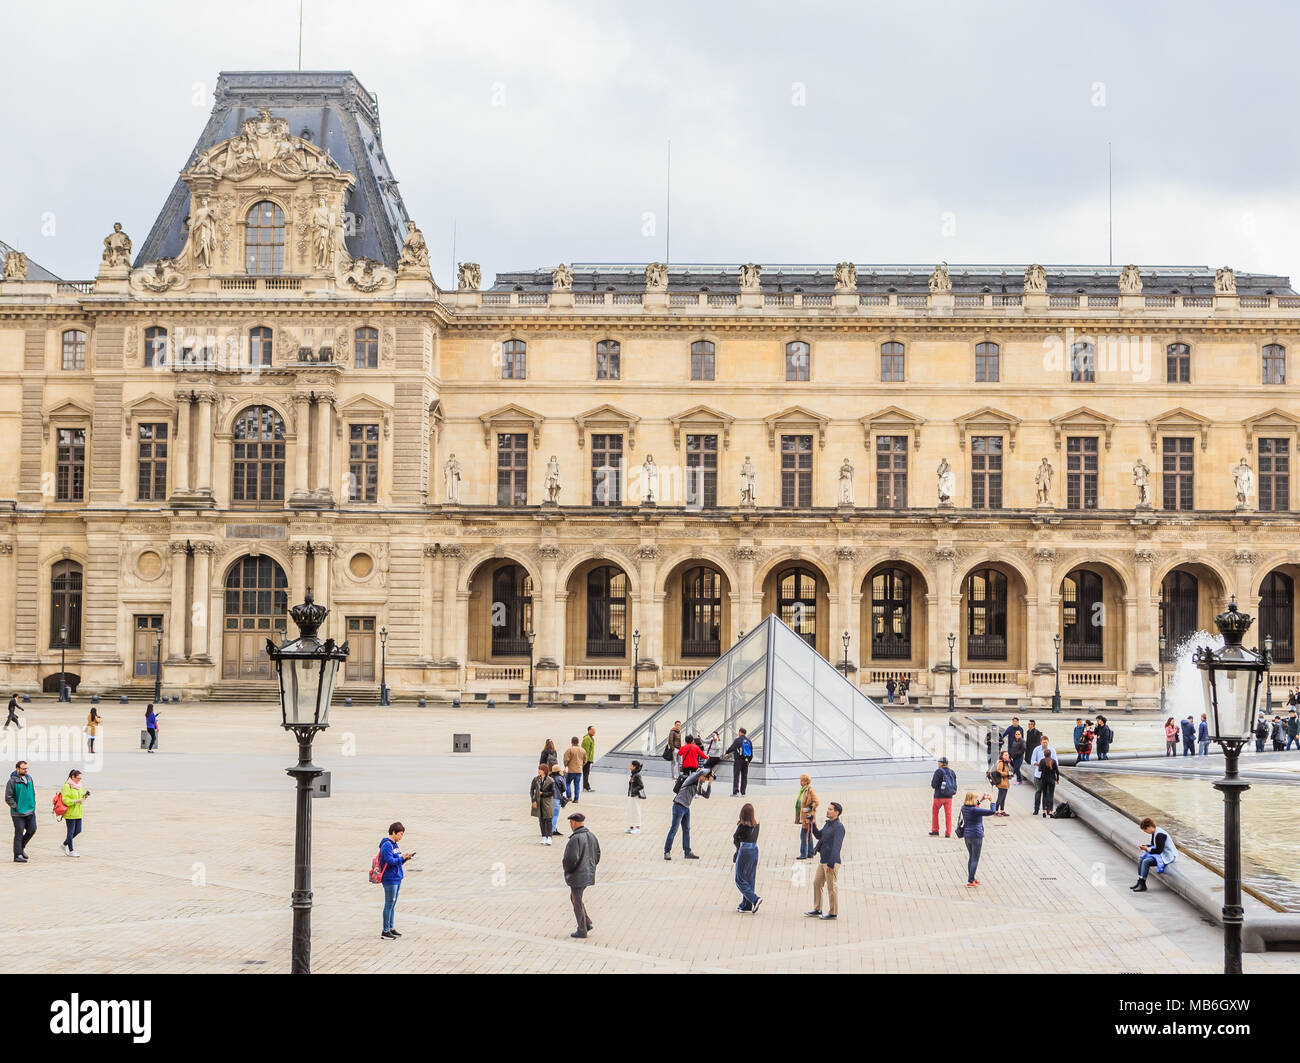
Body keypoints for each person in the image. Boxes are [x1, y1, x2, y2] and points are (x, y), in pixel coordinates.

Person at [562, 812, 600, 939]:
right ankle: (587, 922)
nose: (570, 825)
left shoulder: (575, 839)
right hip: (588, 872)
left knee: (576, 900)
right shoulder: (591, 836)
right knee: (575, 898)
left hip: (578, 875)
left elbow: (570, 859)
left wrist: (568, 870)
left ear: (574, 823)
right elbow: (598, 854)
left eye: (570, 822)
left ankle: (582, 929)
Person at [806, 802, 845, 920]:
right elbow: (819, 836)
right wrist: (813, 824)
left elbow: (837, 847)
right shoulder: (828, 824)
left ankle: (833, 912)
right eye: (828, 809)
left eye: (830, 809)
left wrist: (831, 863)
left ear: (837, 812)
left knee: (831, 887)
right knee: (817, 883)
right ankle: (817, 909)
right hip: (823, 860)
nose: (827, 811)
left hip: (831, 861)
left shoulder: (839, 827)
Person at [664, 767, 711, 860]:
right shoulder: (692, 778)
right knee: (674, 829)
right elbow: (702, 771)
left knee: (686, 830)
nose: (705, 780)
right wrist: (710, 770)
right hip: (678, 806)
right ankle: (667, 851)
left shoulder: (698, 785)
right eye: (705, 778)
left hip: (686, 808)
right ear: (701, 776)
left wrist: (710, 783)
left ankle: (687, 852)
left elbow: (707, 795)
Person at [378, 822, 414, 939]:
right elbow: (389, 861)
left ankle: (391, 928)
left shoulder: (395, 845)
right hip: (390, 879)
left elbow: (397, 861)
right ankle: (385, 930)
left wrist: (404, 859)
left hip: (397, 877)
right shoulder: (387, 845)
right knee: (389, 904)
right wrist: (401, 858)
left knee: (392, 904)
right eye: (400, 834)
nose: (401, 837)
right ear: (393, 832)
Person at [958, 792, 999, 886]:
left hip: (967, 836)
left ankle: (971, 877)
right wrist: (992, 801)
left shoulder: (964, 807)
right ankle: (970, 881)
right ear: (972, 799)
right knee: (975, 859)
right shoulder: (975, 810)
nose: (977, 800)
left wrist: (981, 800)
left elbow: (975, 805)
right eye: (976, 799)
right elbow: (992, 811)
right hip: (976, 835)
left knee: (971, 857)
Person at [1131, 816, 1177, 892]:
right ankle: (1140, 881)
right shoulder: (1155, 832)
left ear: (1149, 827)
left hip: (1167, 855)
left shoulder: (1159, 834)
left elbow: (1158, 850)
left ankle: (1143, 884)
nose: (1145, 831)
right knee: (1141, 858)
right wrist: (1146, 846)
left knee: (1146, 861)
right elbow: (1153, 845)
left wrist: (1147, 849)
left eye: (1145, 829)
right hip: (1161, 853)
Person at [732, 802, 762, 913]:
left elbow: (735, 838)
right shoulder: (757, 825)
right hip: (754, 850)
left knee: (739, 879)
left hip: (744, 851)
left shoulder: (742, 826)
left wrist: (738, 849)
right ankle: (746, 905)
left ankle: (755, 899)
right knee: (750, 878)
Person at [6, 761, 36, 863]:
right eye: (23, 769)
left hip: (30, 811)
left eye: (26, 768)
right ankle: (17, 855)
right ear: (17, 769)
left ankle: (21, 848)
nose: (25, 770)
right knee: (19, 833)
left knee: (32, 829)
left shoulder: (29, 778)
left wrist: (33, 804)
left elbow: (32, 792)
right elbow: (8, 797)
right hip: (18, 813)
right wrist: (16, 807)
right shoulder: (12, 781)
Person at [59, 769, 88, 857]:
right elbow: (65, 800)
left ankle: (64, 845)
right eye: (78, 778)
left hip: (78, 812)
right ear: (73, 777)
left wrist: (84, 797)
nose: (79, 780)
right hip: (70, 812)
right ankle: (71, 850)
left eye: (80, 778)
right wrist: (76, 801)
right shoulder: (67, 786)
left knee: (78, 830)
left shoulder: (79, 785)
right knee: (70, 832)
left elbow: (80, 797)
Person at [929, 755, 957, 837]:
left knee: (935, 812)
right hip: (949, 797)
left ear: (941, 764)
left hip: (939, 797)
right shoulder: (952, 772)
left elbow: (933, 785)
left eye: (939, 762)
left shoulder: (938, 772)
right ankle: (948, 832)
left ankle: (935, 830)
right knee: (948, 815)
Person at [1030, 734, 1057, 816]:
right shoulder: (1036, 749)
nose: (1044, 744)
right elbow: (1032, 761)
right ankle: (1036, 809)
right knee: (1038, 791)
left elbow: (1056, 762)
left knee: (1049, 793)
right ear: (1040, 742)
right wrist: (1040, 764)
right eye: (1043, 742)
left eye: (1046, 742)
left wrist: (1048, 765)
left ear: (1048, 742)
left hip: (1049, 776)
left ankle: (1049, 810)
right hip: (1038, 775)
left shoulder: (1052, 750)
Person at [530, 764, 555, 845]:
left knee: (548, 819)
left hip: (547, 802)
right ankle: (544, 836)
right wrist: (533, 800)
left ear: (545, 771)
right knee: (541, 819)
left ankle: (549, 837)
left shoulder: (550, 780)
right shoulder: (536, 779)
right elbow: (531, 790)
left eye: (541, 769)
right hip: (538, 802)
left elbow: (552, 792)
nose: (539, 771)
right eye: (539, 769)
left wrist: (542, 794)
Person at [724, 727, 754, 796]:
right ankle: (743, 792)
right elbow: (751, 752)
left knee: (736, 776)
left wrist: (726, 752)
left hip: (738, 760)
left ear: (740, 732)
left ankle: (735, 792)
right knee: (744, 776)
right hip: (746, 760)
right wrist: (749, 760)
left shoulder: (737, 740)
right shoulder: (749, 741)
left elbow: (732, 748)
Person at [796, 774, 819, 858]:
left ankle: (803, 854)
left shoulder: (810, 790)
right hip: (805, 817)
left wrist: (808, 809)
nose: (800, 782)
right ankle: (810, 852)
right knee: (808, 834)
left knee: (804, 835)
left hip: (808, 816)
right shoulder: (803, 790)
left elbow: (816, 802)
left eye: (802, 780)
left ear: (806, 781)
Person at [563, 736, 585, 803]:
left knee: (567, 783)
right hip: (579, 770)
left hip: (570, 770)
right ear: (578, 742)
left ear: (571, 742)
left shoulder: (569, 750)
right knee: (577, 785)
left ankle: (569, 797)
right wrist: (581, 765)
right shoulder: (582, 750)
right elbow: (585, 760)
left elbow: (566, 759)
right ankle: (576, 799)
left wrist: (566, 765)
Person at [625, 759, 645, 834]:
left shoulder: (637, 775)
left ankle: (638, 827)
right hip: (631, 796)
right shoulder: (633, 775)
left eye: (631, 765)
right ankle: (631, 827)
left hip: (635, 796)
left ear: (634, 766)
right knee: (630, 811)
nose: (630, 767)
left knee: (636, 811)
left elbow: (641, 785)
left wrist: (634, 791)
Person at [1038, 752, 1060, 817]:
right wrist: (1057, 780)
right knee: (1051, 795)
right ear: (1050, 754)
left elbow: (1040, 770)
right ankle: (1050, 811)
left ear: (1044, 754)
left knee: (1044, 795)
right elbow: (1057, 772)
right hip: (1052, 780)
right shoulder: (1053, 761)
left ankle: (1044, 811)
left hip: (1044, 779)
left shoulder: (1042, 761)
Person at [990, 751, 1012, 815]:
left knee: (1003, 798)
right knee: (1000, 798)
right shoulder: (1001, 763)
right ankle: (996, 811)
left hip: (1006, 783)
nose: (1007, 756)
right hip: (1002, 783)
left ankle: (1002, 810)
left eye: (1007, 755)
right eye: (1005, 755)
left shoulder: (1006, 763)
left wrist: (1009, 775)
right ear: (1002, 756)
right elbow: (999, 772)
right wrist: (1007, 774)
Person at [549, 763, 567, 836]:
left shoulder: (549, 778)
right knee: (555, 815)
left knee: (549, 815)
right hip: (556, 798)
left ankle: (550, 829)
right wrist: (564, 776)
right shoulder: (560, 778)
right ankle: (553, 830)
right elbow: (564, 788)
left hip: (548, 799)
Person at [581, 726, 596, 792]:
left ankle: (586, 787)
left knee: (586, 773)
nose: (594, 732)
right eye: (593, 731)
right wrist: (585, 759)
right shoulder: (587, 739)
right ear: (589, 730)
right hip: (586, 759)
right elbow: (585, 750)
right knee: (586, 773)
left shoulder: (591, 738)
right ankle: (586, 787)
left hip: (589, 759)